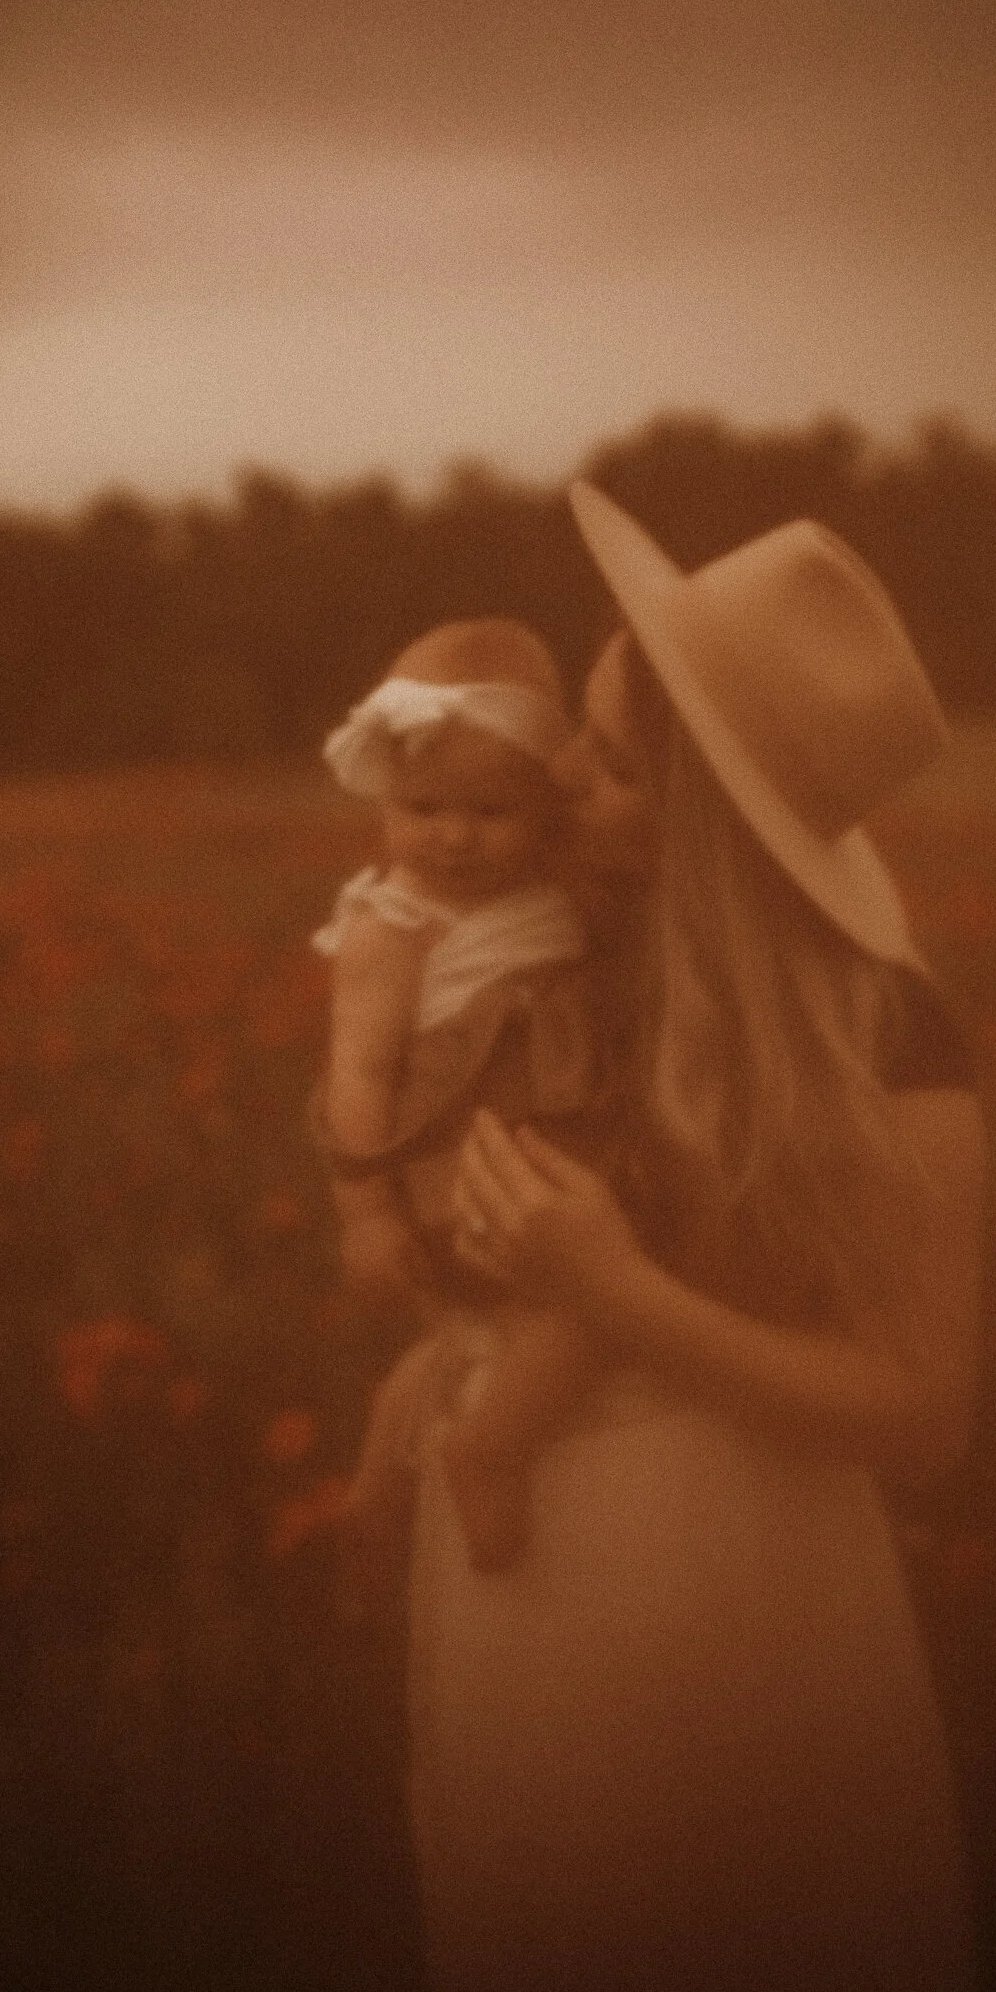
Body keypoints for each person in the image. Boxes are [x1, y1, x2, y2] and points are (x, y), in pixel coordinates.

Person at [401, 486, 985, 1992]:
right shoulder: (577, 957)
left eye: (607, 762)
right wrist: (437, 1365)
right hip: (521, 1573)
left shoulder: (885, 1035)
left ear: (707, 819)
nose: (564, 779)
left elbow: (920, 1416)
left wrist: (614, 1292)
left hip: (722, 1596)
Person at [305, 616, 609, 1577]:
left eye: (490, 813)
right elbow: (355, 1073)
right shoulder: (392, 927)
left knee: (476, 1337)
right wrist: (363, 1216)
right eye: (422, 806)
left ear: (546, 809)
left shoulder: (551, 891)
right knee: (587, 1310)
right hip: (460, 1177)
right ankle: (487, 1452)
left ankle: (384, 1466)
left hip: (553, 1154)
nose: (452, 838)